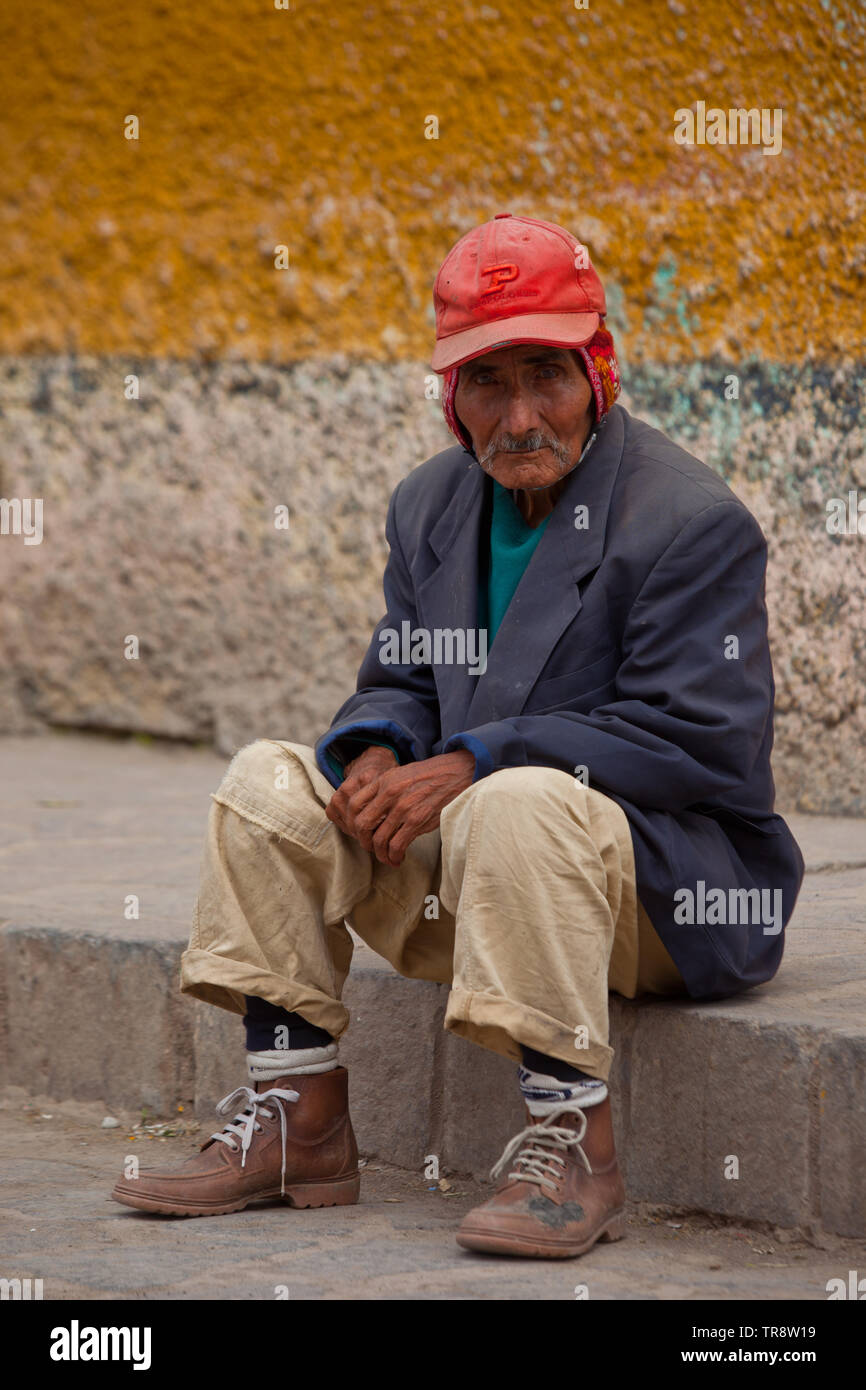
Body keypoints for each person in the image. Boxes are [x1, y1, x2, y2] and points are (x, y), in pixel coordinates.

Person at [111, 213, 804, 1259]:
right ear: (449, 395)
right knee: (269, 780)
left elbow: (696, 740)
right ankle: (298, 1120)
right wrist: (383, 751)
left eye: (547, 375)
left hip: (664, 897)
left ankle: (573, 1143)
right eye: (486, 381)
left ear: (598, 368)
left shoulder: (686, 521)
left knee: (516, 796)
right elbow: (398, 674)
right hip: (489, 879)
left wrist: (476, 759)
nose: (520, 415)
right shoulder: (433, 503)